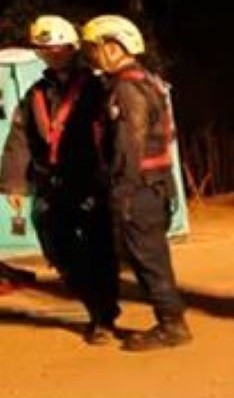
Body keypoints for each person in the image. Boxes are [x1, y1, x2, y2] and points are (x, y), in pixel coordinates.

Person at [1, 15, 119, 345]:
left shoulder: (97, 88)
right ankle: (92, 299)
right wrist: (13, 184)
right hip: (52, 182)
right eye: (45, 49)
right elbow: (20, 137)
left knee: (100, 248)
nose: (52, 54)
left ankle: (103, 316)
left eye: (58, 48)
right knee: (58, 247)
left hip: (93, 179)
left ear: (73, 49)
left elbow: (117, 135)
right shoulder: (36, 93)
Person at [80, 15, 191, 351]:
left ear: (114, 48)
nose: (91, 56)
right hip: (152, 183)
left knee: (147, 257)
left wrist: (122, 192)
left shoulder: (127, 87)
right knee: (148, 254)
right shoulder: (146, 80)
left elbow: (131, 142)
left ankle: (172, 324)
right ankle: (170, 319)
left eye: (94, 49)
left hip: (139, 186)